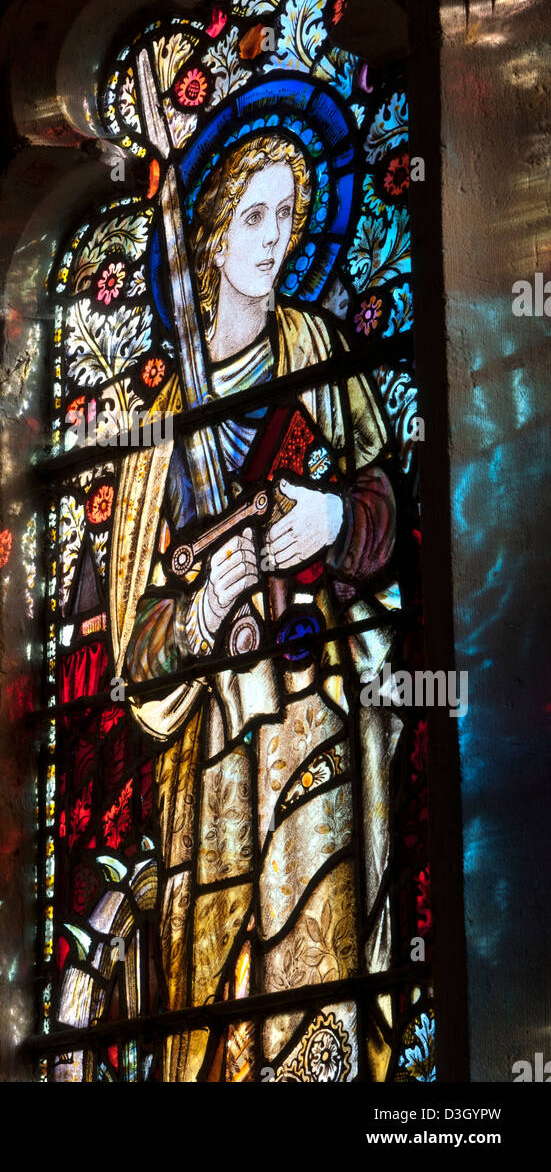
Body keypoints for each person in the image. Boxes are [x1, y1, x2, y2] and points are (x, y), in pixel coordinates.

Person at [109, 133, 400, 1082]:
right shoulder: (157, 435)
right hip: (211, 768)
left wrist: (331, 516)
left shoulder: (319, 352)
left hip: (317, 716)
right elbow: (132, 653)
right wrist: (199, 619)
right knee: (222, 1005)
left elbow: (394, 511)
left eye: (288, 215)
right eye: (252, 216)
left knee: (319, 962)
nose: (274, 238)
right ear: (211, 236)